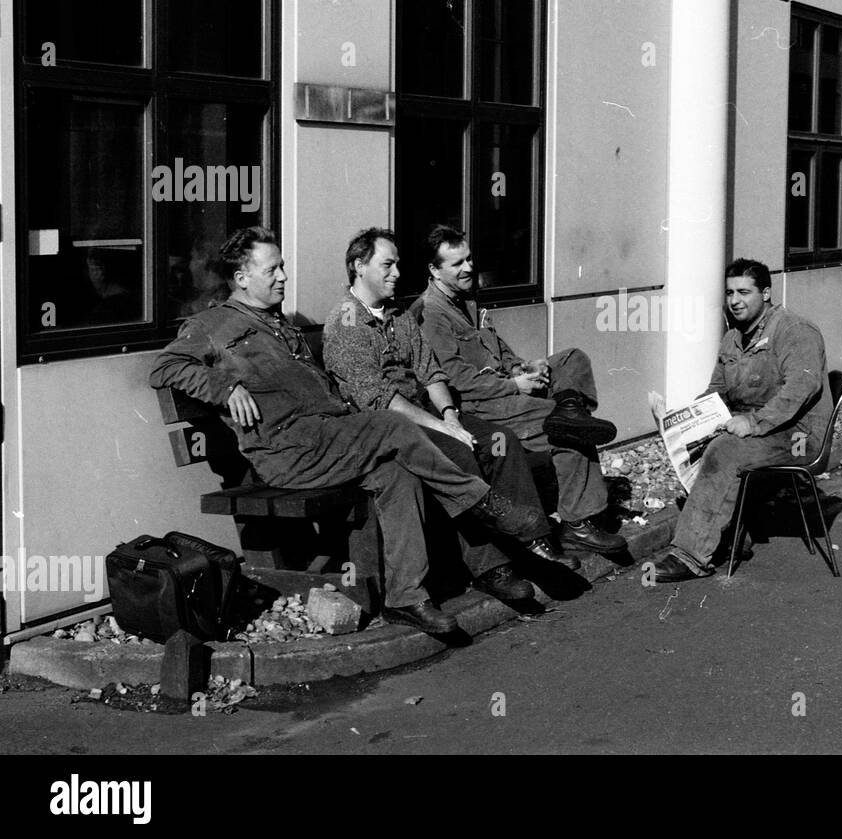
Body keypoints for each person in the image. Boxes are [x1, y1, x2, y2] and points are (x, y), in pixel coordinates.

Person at [149, 227, 574, 637]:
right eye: (272, 270)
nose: (283, 277)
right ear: (241, 279)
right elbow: (165, 367)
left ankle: (405, 597)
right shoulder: (214, 325)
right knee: (392, 424)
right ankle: (486, 505)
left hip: (328, 439)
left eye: (283, 267)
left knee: (397, 474)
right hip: (288, 452)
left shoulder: (277, 323)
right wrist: (226, 387)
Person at [322, 228, 578, 604]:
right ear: (359, 267)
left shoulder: (397, 315)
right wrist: (442, 427)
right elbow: (380, 399)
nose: (396, 273)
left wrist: (450, 414)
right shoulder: (346, 323)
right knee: (459, 454)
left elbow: (431, 372)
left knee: (499, 440)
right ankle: (491, 568)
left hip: (427, 413)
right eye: (387, 265)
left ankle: (535, 541)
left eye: (397, 264)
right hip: (386, 429)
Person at [416, 225, 627, 555]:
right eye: (456, 264)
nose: (468, 268)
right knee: (564, 424)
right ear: (434, 270)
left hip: (508, 387)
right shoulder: (430, 315)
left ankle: (571, 409)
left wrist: (522, 367)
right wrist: (513, 384)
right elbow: (456, 380)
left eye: (469, 259)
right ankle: (577, 524)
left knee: (572, 359)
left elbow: (498, 349)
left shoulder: (467, 300)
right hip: (481, 406)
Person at [653, 258, 832, 581]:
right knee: (700, 446)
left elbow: (803, 386)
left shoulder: (794, 330)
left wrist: (754, 423)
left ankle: (691, 555)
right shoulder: (732, 337)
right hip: (758, 429)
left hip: (798, 436)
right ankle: (731, 533)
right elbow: (715, 394)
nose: (735, 301)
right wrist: (680, 421)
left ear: (765, 293)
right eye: (730, 292)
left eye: (744, 292)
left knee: (726, 451)